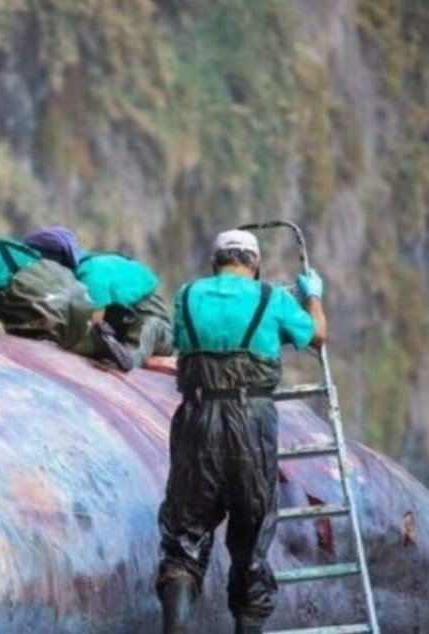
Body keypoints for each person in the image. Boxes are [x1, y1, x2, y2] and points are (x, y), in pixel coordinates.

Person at [155, 229, 327, 634]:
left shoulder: (187, 296)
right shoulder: (273, 298)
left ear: (215, 263)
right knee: (251, 539)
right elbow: (318, 336)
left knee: (183, 538)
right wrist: (313, 296)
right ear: (255, 264)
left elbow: (180, 343)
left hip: (196, 418)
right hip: (252, 423)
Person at [0, 215, 133, 368]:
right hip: (70, 288)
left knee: (36, 342)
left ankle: (87, 341)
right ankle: (94, 340)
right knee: (68, 344)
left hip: (35, 295)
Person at [24, 226, 174, 368]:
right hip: (119, 329)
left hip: (156, 329)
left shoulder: (91, 273)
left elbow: (95, 325)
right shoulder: (74, 278)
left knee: (145, 330)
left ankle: (127, 360)